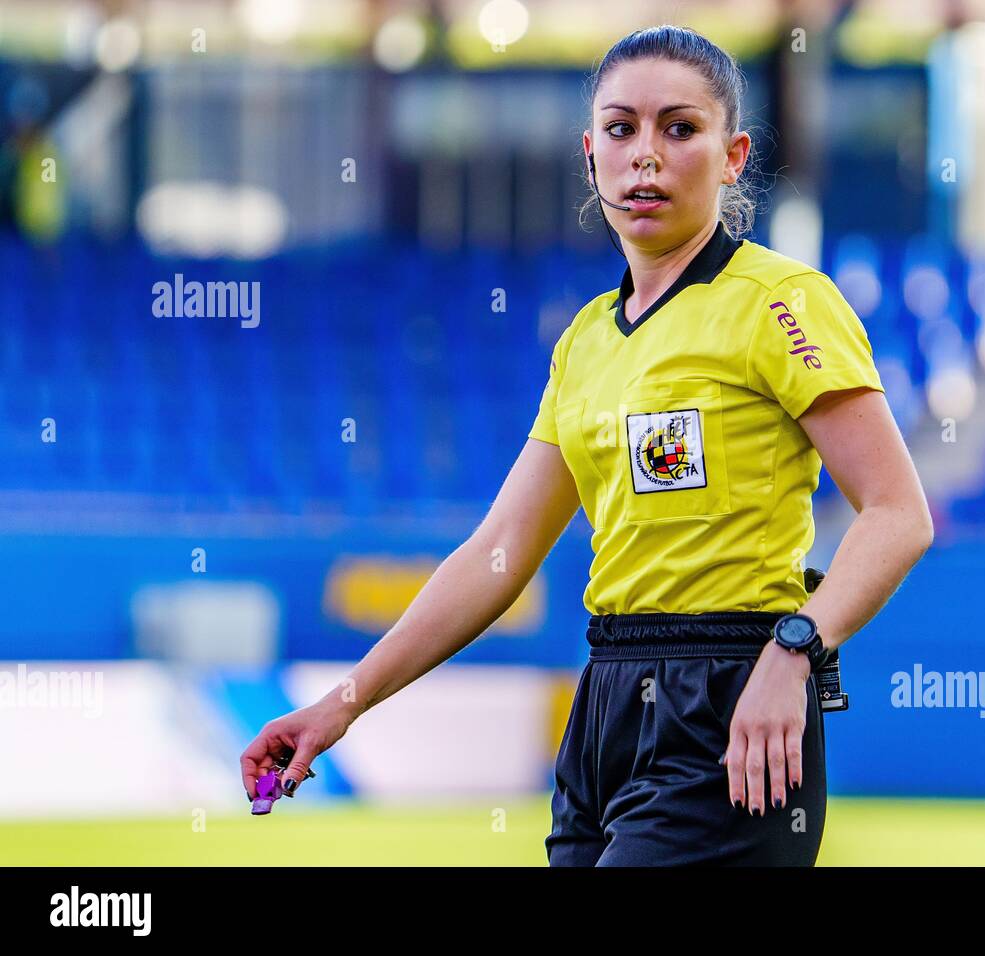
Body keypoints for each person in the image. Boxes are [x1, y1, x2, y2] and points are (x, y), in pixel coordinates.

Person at [240, 24, 932, 867]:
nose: (646, 155)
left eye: (680, 129)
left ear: (733, 154)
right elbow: (498, 553)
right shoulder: (584, 342)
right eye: (620, 128)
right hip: (603, 702)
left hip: (733, 700)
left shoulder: (781, 301)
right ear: (590, 152)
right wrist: (343, 703)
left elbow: (898, 514)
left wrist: (792, 654)